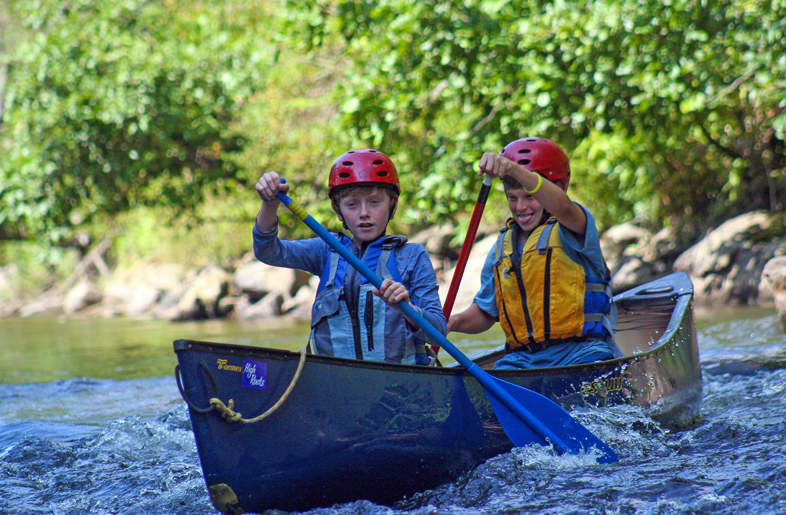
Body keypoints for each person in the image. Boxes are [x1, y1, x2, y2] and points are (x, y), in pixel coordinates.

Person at [253, 148, 446, 365]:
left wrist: (408, 309)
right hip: (337, 386)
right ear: (339, 210)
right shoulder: (325, 250)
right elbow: (267, 251)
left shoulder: (411, 256)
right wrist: (269, 204)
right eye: (352, 204)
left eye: (375, 202)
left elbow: (438, 330)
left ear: (392, 204)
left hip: (400, 389)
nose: (364, 213)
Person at [447, 137, 619, 369]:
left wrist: (511, 168)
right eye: (512, 197)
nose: (520, 207)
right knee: (498, 379)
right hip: (521, 361)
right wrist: (451, 321)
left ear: (558, 188)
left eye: (530, 196)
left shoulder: (574, 225)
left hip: (582, 353)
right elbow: (486, 313)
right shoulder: (501, 248)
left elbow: (564, 206)